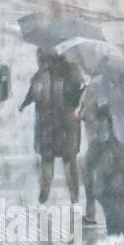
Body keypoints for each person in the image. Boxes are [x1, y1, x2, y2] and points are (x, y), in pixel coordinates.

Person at [78, 66, 124, 243]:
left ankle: (117, 233)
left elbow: (93, 116)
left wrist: (86, 111)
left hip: (109, 147)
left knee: (104, 191)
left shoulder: (99, 87)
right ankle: (122, 227)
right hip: (123, 145)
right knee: (116, 190)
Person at [19, 50, 82, 204]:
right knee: (69, 160)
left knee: (47, 161)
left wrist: (24, 104)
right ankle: (74, 196)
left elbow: (34, 94)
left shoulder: (41, 76)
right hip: (67, 125)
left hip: (47, 126)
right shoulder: (72, 72)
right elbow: (78, 97)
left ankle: (44, 194)